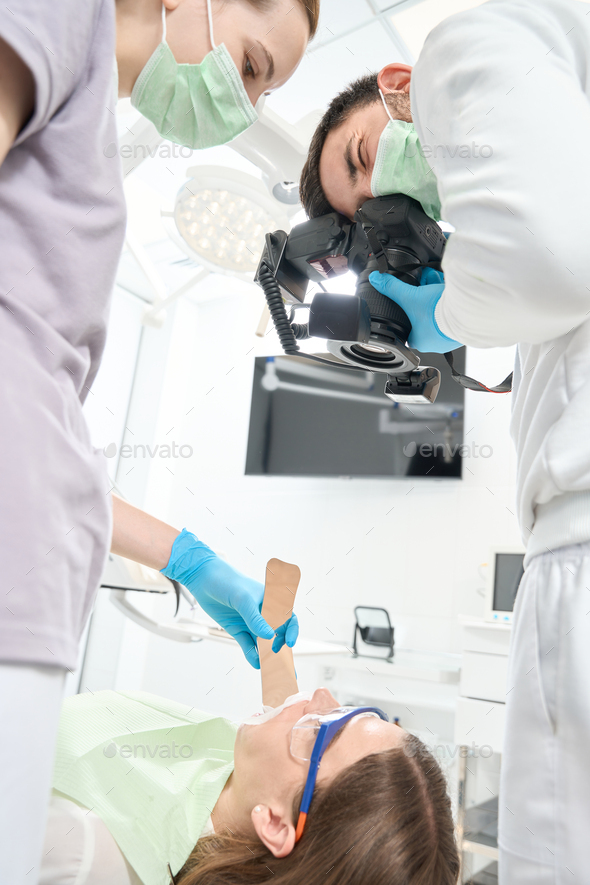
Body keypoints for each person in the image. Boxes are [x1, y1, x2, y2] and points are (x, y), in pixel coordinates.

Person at [0, 1, 318, 883]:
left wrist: (186, 556)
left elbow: (38, 427)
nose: (245, 103)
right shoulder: (61, 19)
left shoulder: (92, 133)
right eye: (253, 64)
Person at [298, 1, 590, 881]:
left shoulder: (461, 47)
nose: (388, 205)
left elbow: (548, 258)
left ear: (396, 91)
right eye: (370, 223)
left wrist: (451, 309)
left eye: (363, 158)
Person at [39, 687, 460, 885]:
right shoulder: (218, 758)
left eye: (320, 734)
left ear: (275, 823)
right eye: (349, 712)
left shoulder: (84, 849)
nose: (318, 696)